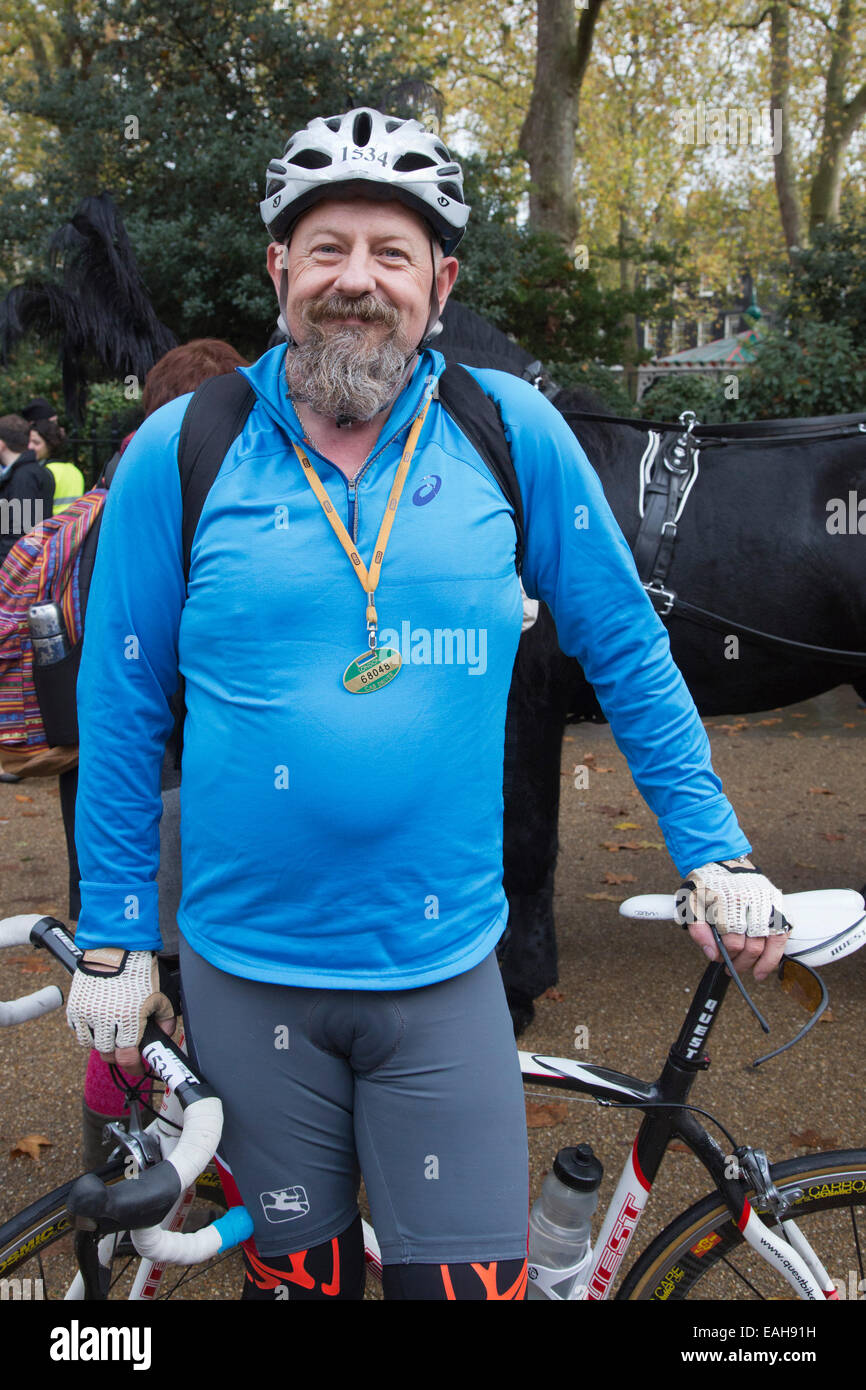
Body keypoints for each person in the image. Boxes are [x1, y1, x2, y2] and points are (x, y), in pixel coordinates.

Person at [66, 107, 789, 1302]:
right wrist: (114, 926)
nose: (357, 279)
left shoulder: (507, 431)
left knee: (462, 1291)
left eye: (390, 254)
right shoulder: (182, 447)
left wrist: (711, 847)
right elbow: (123, 696)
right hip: (249, 975)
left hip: (442, 970)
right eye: (327, 247)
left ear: (438, 282)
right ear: (279, 272)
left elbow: (626, 649)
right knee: (296, 1284)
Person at [0, 414, 54, 566]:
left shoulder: (24, 477)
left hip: (13, 572)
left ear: (2, 444)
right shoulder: (24, 474)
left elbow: (21, 533)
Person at [27, 418, 85, 514]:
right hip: (73, 526)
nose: (30, 446)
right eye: (29, 441)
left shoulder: (43, 472)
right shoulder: (75, 470)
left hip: (50, 526)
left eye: (36, 442)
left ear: (50, 444)